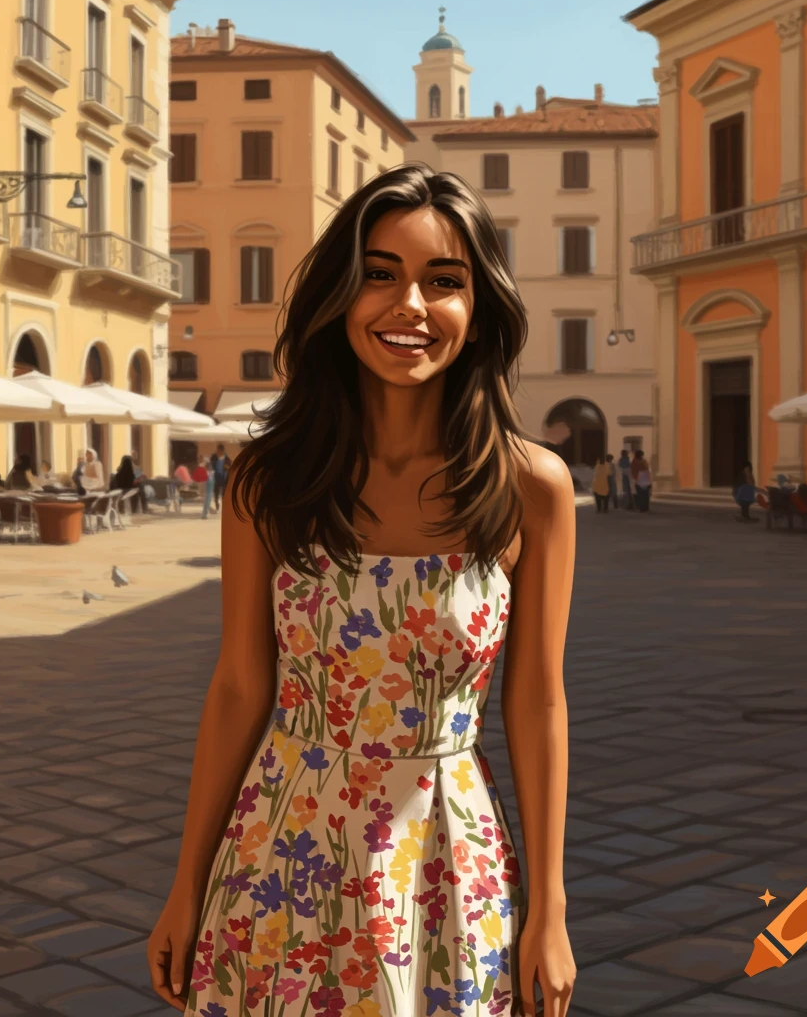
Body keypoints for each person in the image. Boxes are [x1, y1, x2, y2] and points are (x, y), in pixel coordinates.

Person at [147, 163, 577, 1017]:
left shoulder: (534, 486)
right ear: (341, 296)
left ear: (478, 307)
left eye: (443, 281)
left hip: (447, 861)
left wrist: (551, 908)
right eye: (380, 275)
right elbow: (239, 685)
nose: (409, 306)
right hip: (282, 847)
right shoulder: (267, 481)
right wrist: (185, 884)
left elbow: (537, 703)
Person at [210, 443, 231, 514]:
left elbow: (229, 467)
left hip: (224, 478)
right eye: (218, 450)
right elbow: (211, 465)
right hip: (216, 478)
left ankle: (225, 506)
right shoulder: (214, 457)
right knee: (216, 493)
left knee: (224, 494)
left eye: (220, 450)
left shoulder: (227, 458)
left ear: (222, 450)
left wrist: (226, 468)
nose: (219, 452)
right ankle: (217, 504)